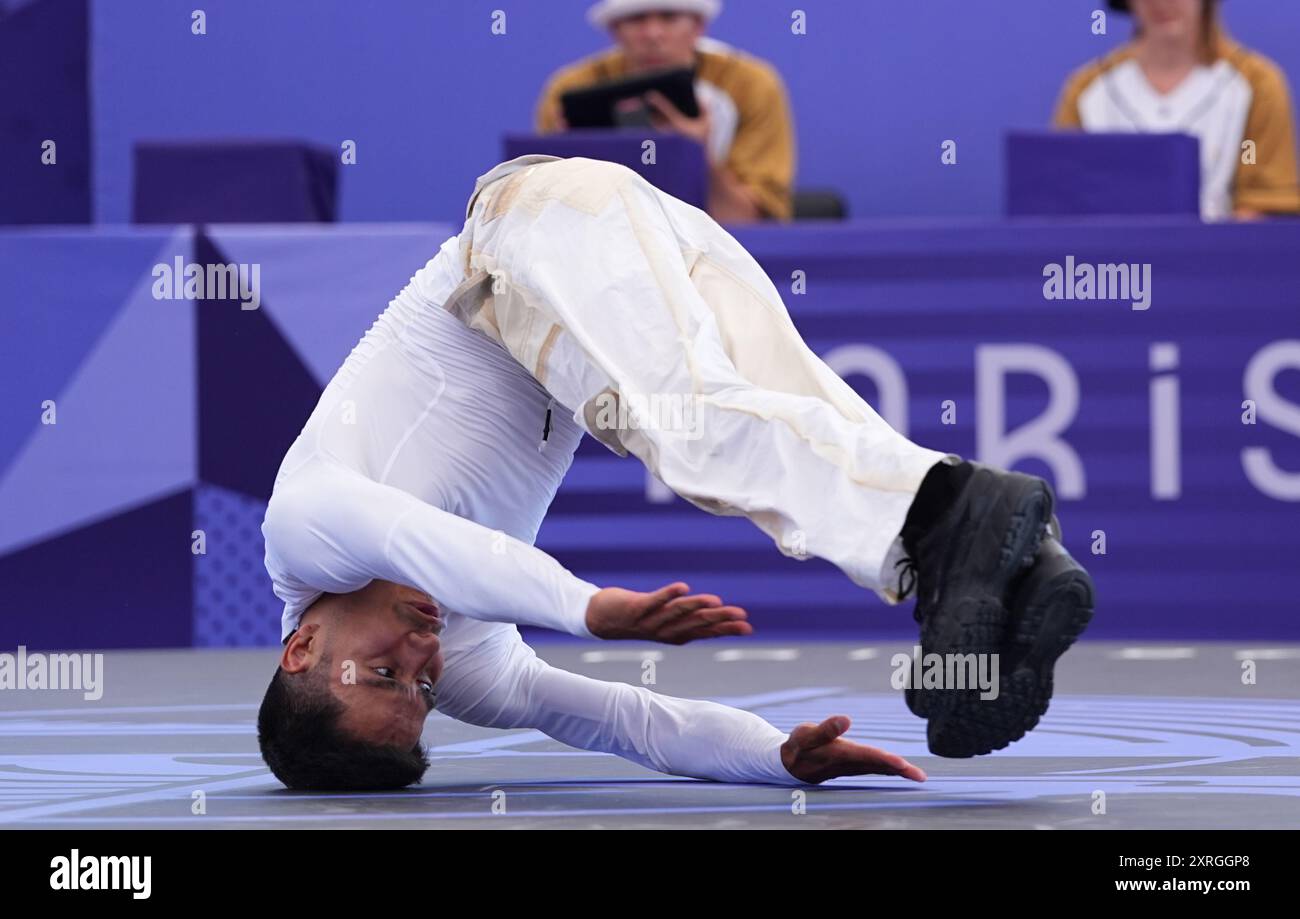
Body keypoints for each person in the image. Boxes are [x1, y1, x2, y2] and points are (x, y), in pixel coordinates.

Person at [257, 154, 1094, 791]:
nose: (422, 657)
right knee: (811, 423)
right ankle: (1013, 572)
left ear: (302, 647)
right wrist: (776, 756)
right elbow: (634, 723)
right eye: (420, 692)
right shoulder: (461, 661)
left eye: (382, 671)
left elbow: (429, 541)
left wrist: (588, 610)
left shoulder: (302, 527)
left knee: (689, 435)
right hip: (641, 239)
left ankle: (954, 515)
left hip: (534, 231)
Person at [535, 0, 795, 223]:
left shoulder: (751, 86)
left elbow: (746, 223)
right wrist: (568, 160)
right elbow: (548, 217)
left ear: (698, 26)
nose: (653, 34)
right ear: (614, 30)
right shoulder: (570, 90)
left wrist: (697, 152)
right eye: (636, 19)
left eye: (669, 17)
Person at [1054, 0, 1300, 220]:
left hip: (1219, 263)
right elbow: (1063, 198)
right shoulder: (1089, 91)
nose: (1161, 3)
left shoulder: (1256, 85)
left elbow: (1265, 200)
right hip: (1112, 266)